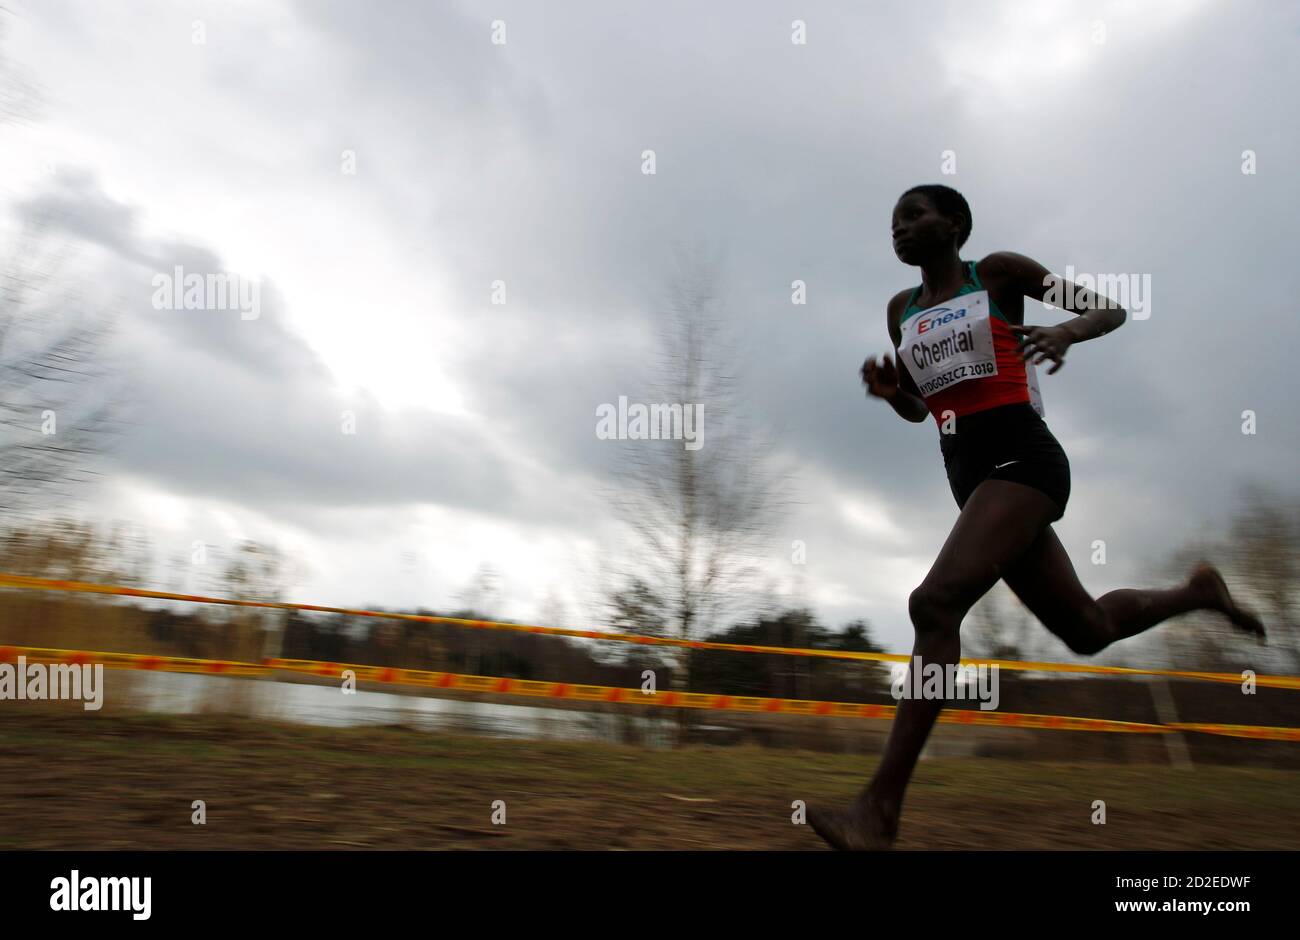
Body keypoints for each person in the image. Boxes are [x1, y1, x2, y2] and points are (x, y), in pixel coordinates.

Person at [807, 184, 1266, 851]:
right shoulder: (899, 311)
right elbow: (919, 406)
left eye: (915, 215)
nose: (900, 229)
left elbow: (1107, 308)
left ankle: (877, 813)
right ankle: (1198, 593)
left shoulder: (998, 273)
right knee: (1088, 628)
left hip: (1024, 464)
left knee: (934, 605)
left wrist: (1065, 330)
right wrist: (890, 396)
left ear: (954, 224)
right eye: (893, 223)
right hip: (973, 485)